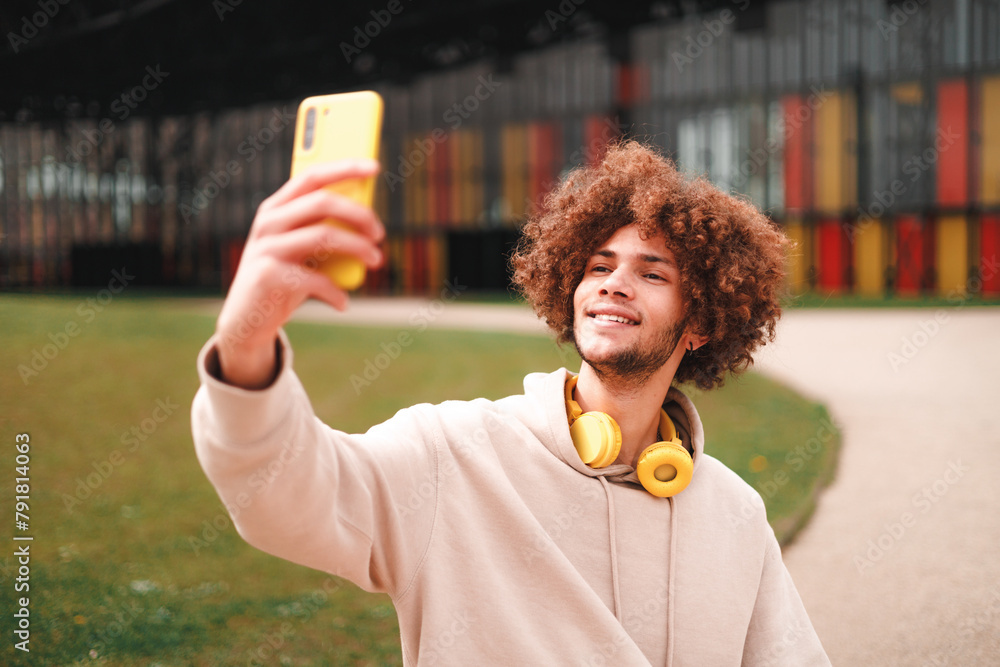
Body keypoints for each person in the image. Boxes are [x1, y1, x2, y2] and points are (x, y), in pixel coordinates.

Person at [192, 140, 831, 665]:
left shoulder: (734, 515)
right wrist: (246, 340)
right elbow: (284, 497)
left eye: (652, 273)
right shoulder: (450, 453)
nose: (614, 285)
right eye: (598, 266)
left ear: (703, 325)